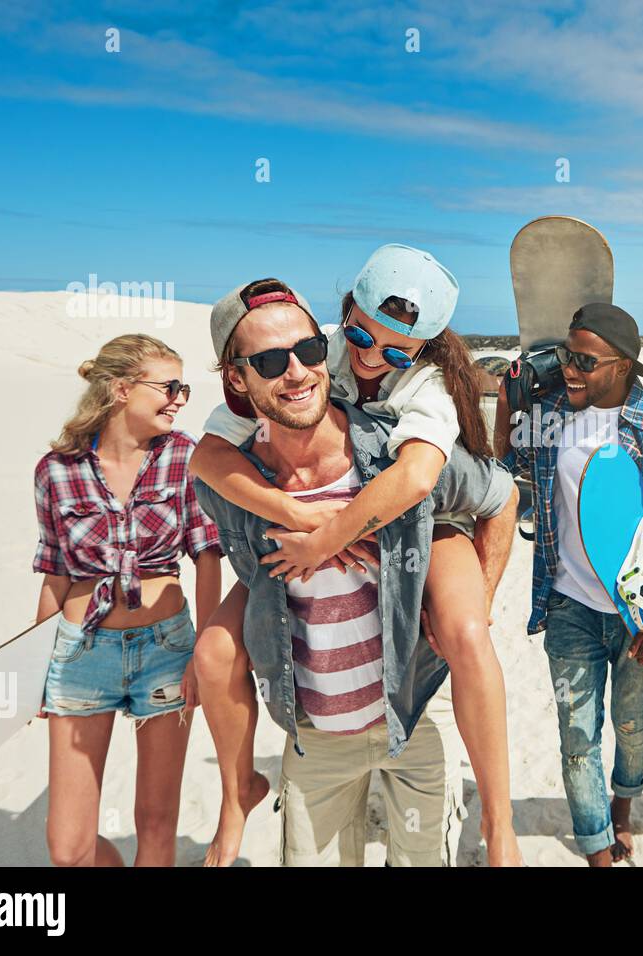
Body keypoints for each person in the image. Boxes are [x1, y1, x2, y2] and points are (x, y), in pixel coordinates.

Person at [192, 278, 519, 866]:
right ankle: (235, 801)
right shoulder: (228, 483)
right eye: (269, 361)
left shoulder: (401, 449)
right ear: (236, 379)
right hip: (313, 739)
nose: (296, 371)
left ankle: (502, 828)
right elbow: (207, 468)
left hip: (410, 717)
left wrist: (480, 601)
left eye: (309, 350)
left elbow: (497, 494)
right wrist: (288, 516)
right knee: (214, 650)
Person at [494, 303, 643, 866]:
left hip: (640, 611)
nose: (570, 368)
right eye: (567, 355)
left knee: (634, 726)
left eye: (584, 361)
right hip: (567, 604)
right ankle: (596, 847)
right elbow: (502, 459)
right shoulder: (548, 417)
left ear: (624, 365)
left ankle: (622, 808)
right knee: (577, 736)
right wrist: (503, 400)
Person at [32, 333, 222, 867]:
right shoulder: (56, 470)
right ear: (120, 389)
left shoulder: (186, 456)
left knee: (156, 824)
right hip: (79, 657)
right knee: (67, 849)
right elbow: (53, 571)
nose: (180, 398)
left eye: (184, 387)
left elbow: (208, 556)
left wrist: (205, 657)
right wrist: (33, 669)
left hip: (166, 651)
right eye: (169, 386)